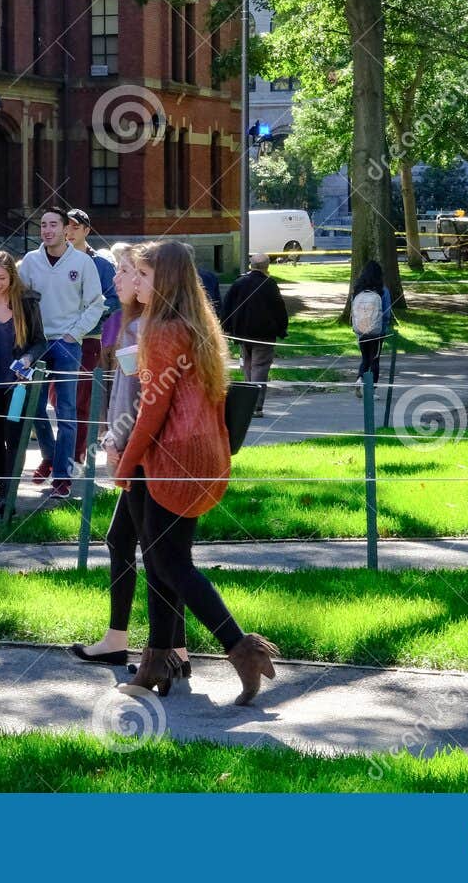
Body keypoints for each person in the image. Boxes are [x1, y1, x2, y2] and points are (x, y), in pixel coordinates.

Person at [112, 239, 279, 703]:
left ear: (163, 281)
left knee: (169, 563)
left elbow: (151, 411)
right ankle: (156, 662)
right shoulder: (195, 323)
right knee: (161, 562)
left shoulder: (163, 331)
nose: (137, 282)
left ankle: (240, 647)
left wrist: (125, 464)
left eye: (144, 276)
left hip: (170, 459)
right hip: (194, 454)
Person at [71, 241, 148, 666]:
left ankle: (177, 648)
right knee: (131, 542)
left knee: (153, 550)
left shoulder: (143, 328)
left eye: (122, 272)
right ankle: (131, 641)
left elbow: (143, 401)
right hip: (133, 447)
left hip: (144, 454)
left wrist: (120, 444)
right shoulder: (128, 322)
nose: (115, 279)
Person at [18, 208, 106, 499]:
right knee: (35, 408)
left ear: (66, 229)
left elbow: (96, 303)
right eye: (43, 225)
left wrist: (76, 333)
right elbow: (18, 300)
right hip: (38, 343)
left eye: (53, 224)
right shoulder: (29, 262)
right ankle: (51, 455)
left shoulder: (82, 262)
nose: (47, 230)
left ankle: (62, 476)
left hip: (69, 343)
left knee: (67, 411)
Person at [0, 251, 46, 514]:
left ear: (12, 277)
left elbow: (40, 341)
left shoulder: (27, 303)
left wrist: (27, 359)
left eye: (2, 277)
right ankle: (3, 494)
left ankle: (12, 494)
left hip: (17, 385)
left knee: (14, 439)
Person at [64, 209, 117, 474]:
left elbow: (115, 300)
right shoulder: (55, 260)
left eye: (75, 227)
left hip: (89, 340)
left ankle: (76, 457)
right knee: (60, 400)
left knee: (81, 400)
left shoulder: (102, 265)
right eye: (66, 226)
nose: (69, 232)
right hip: (58, 341)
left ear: (86, 230)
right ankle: (59, 455)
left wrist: (90, 315)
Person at [221, 253, 289, 416]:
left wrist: (227, 327)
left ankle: (248, 401)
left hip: (243, 333)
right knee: (260, 367)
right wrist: (282, 329)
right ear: (267, 266)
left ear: (251, 265)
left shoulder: (239, 283)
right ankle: (256, 405)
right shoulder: (270, 284)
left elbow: (227, 306)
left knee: (247, 365)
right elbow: (279, 309)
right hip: (264, 334)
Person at [350, 260, 392, 396]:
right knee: (375, 359)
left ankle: (359, 378)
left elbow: (353, 310)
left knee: (365, 358)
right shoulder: (383, 290)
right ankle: (371, 390)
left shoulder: (357, 290)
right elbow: (386, 312)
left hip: (361, 329)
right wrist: (385, 327)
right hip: (377, 330)